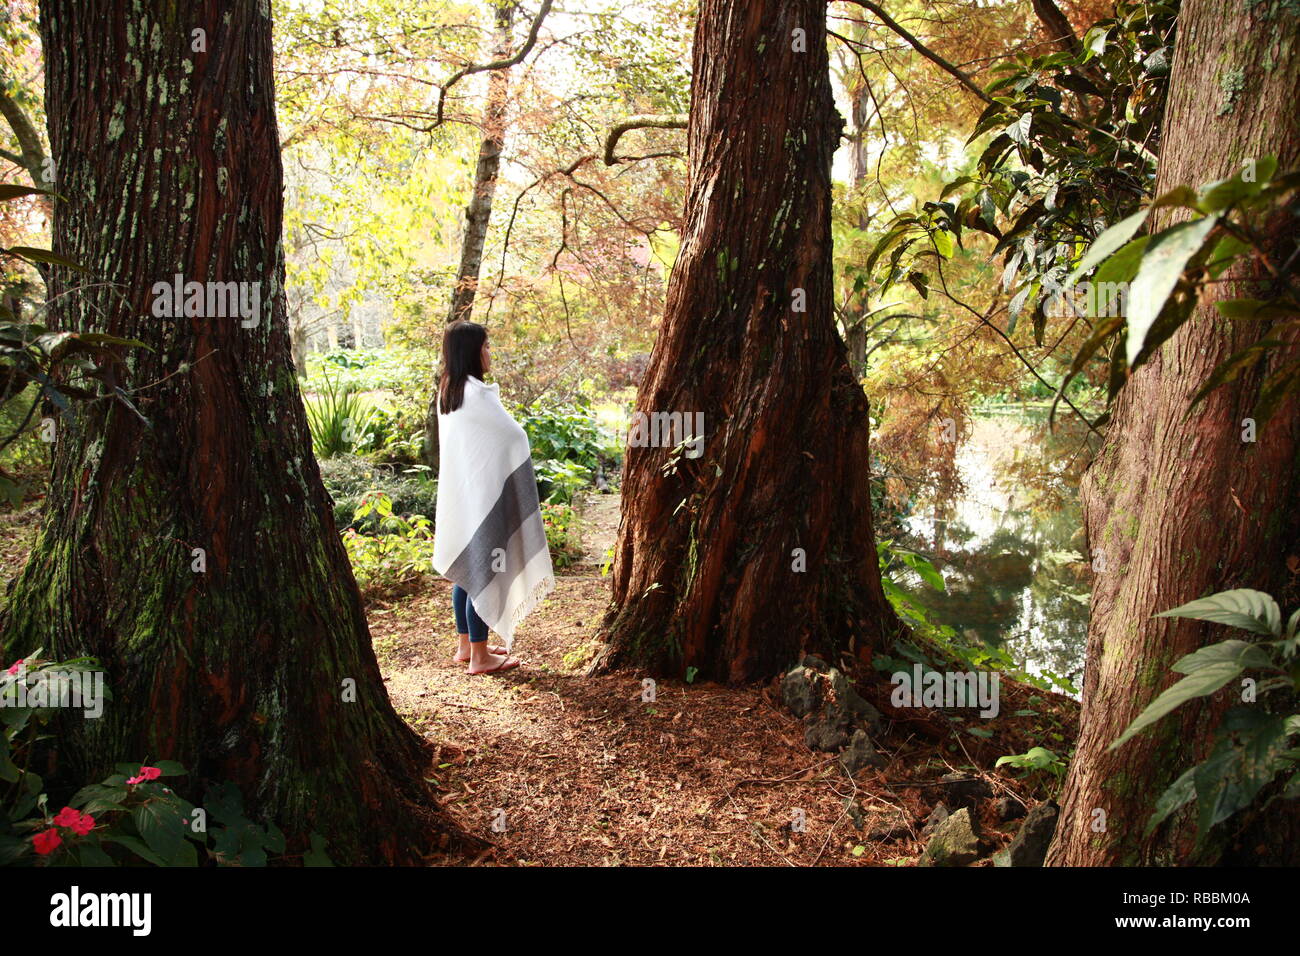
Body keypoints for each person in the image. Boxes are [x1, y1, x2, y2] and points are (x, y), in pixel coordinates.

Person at [432, 320, 554, 675]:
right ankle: (481, 657)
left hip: (466, 495)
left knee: (466, 571)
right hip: (484, 496)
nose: (490, 352)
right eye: (486, 346)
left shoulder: (449, 390)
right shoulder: (476, 395)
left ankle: (464, 646)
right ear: (472, 351)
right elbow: (514, 437)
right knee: (482, 573)